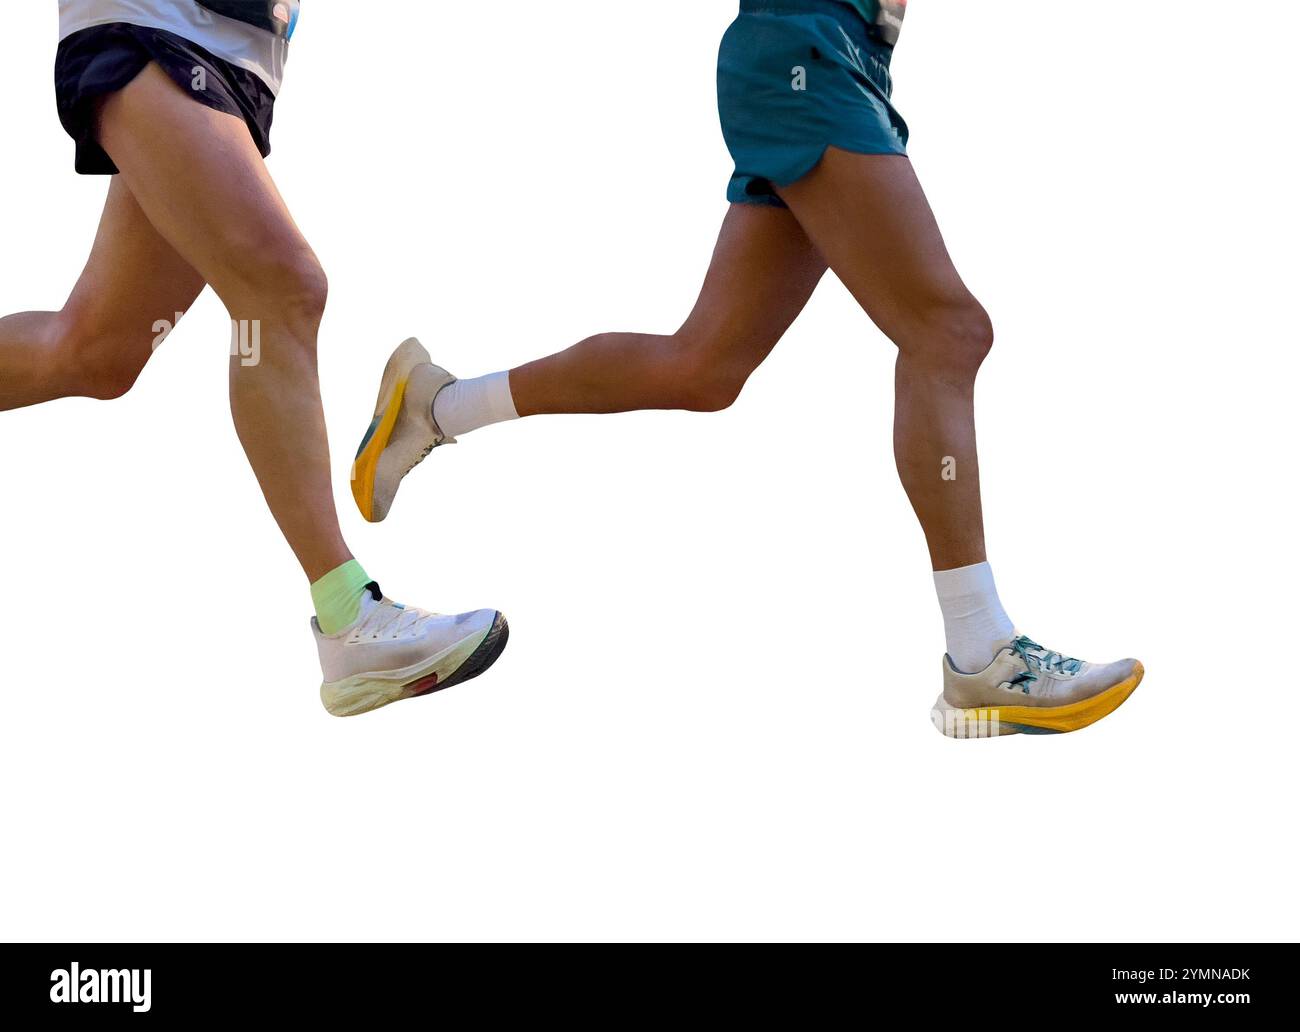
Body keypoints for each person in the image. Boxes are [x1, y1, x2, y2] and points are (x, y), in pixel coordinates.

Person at [352, 0, 1142, 738]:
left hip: (830, 58)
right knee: (948, 332)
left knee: (702, 367)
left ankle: (438, 406)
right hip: (806, 53)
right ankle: (982, 652)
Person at [1, 1, 508, 716]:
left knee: (95, 353)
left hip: (240, 56)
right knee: (279, 290)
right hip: (155, 24)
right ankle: (348, 618)